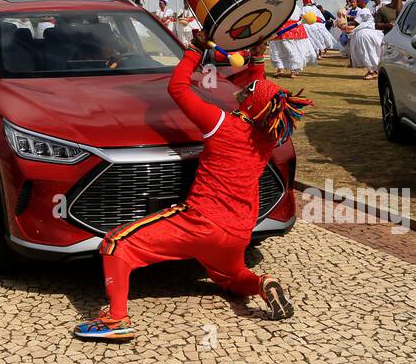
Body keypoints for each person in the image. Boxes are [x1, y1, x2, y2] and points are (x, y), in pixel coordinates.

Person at [74, 29, 309, 342]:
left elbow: (177, 87)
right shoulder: (266, 135)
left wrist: (194, 50)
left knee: (116, 244)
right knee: (230, 277)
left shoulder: (221, 124)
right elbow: (261, 91)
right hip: (239, 231)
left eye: (248, 90)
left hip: (201, 222)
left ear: (252, 103)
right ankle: (261, 283)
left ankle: (116, 319)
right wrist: (257, 56)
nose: (242, 89)